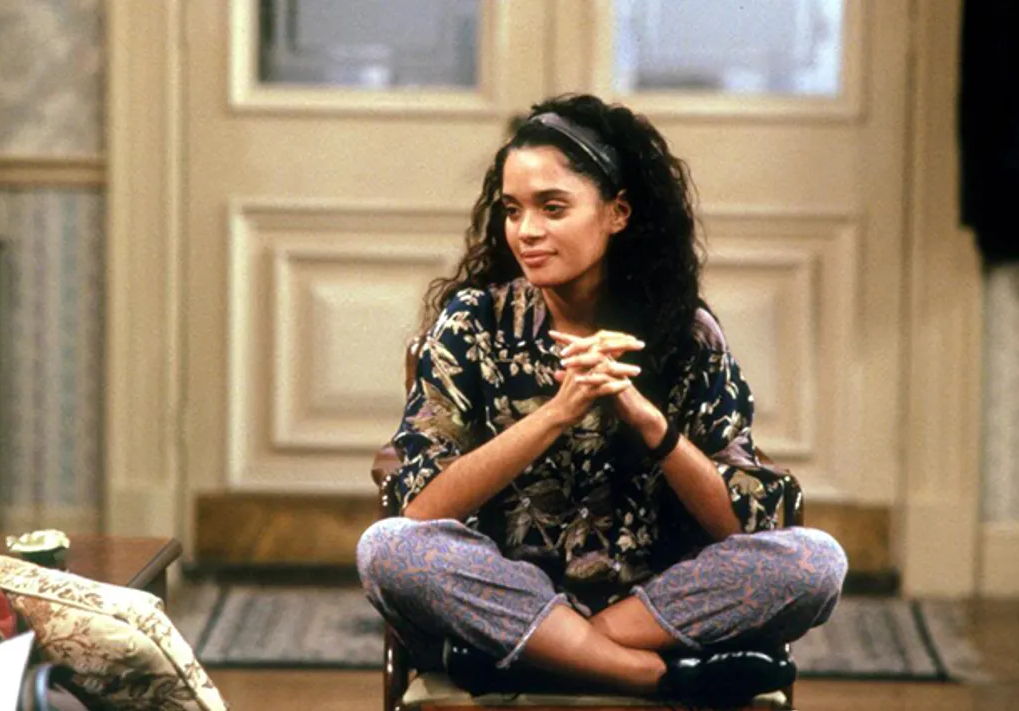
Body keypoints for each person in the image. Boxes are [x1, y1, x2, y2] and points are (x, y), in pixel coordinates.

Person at [356, 94, 847, 705]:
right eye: (512, 210)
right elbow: (423, 510)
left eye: (552, 207)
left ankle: (542, 657)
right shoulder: (474, 323)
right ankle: (652, 676)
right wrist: (557, 413)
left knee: (817, 561)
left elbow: (736, 523)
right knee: (387, 550)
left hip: (652, 603)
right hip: (509, 594)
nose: (526, 231)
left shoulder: (684, 333)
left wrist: (647, 420)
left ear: (617, 212)